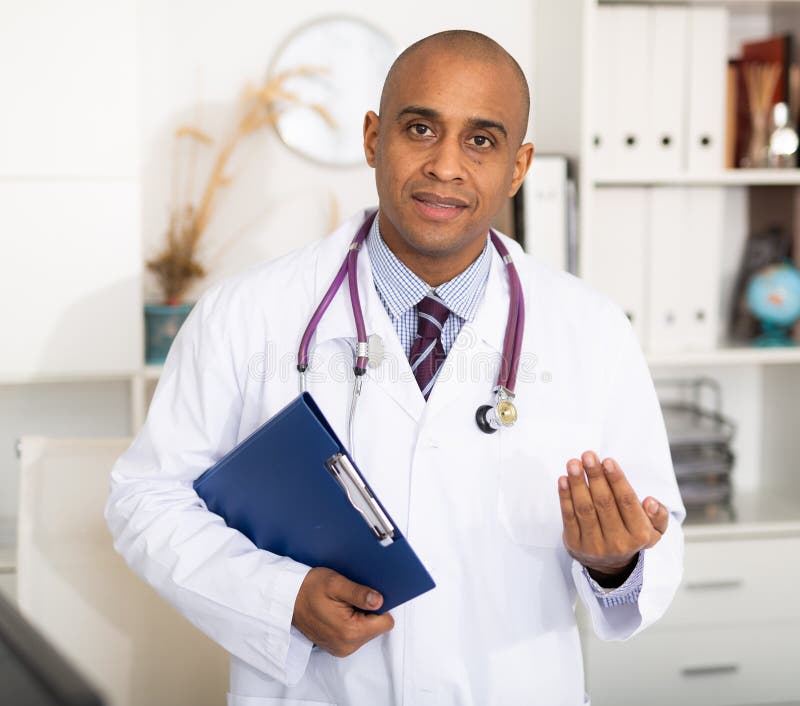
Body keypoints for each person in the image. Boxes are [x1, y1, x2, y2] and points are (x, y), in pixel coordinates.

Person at [106, 30, 684, 706]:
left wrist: (616, 563)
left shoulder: (593, 330)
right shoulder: (246, 313)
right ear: (373, 138)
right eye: (420, 128)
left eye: (481, 140)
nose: (445, 166)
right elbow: (145, 499)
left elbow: (655, 533)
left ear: (519, 166)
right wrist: (278, 598)